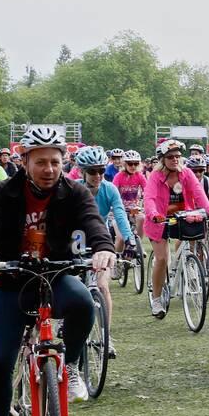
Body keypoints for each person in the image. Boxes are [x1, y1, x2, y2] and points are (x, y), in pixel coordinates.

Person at [0, 126, 115, 416]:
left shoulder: (75, 192)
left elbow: (93, 223)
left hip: (54, 275)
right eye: (41, 162)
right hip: (9, 282)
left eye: (55, 162)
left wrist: (104, 248)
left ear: (64, 162)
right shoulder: (0, 193)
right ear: (25, 161)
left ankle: (74, 366)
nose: (49, 169)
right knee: (1, 361)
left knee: (83, 303)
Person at [74, 145, 137, 354]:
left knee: (102, 286)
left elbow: (119, 214)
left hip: (99, 236)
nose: (98, 175)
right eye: (93, 171)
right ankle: (67, 320)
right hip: (75, 236)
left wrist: (129, 240)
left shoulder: (109, 188)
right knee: (72, 282)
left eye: (102, 170)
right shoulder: (73, 188)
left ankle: (106, 336)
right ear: (82, 171)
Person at [144, 139, 209, 317]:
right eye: (170, 157)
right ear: (162, 159)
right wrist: (153, 214)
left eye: (177, 156)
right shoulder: (155, 177)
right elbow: (149, 198)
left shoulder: (187, 174)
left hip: (183, 218)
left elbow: (199, 193)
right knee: (161, 259)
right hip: (159, 222)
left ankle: (188, 272)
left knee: (191, 245)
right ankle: (157, 299)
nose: (175, 159)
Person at [112, 150, 147, 250]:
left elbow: (147, 191)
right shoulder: (119, 176)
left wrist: (147, 204)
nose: (133, 166)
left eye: (136, 164)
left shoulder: (140, 176)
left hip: (133, 209)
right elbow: (113, 192)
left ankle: (138, 246)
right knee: (121, 238)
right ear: (124, 164)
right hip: (119, 210)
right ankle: (117, 260)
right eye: (130, 164)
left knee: (141, 218)